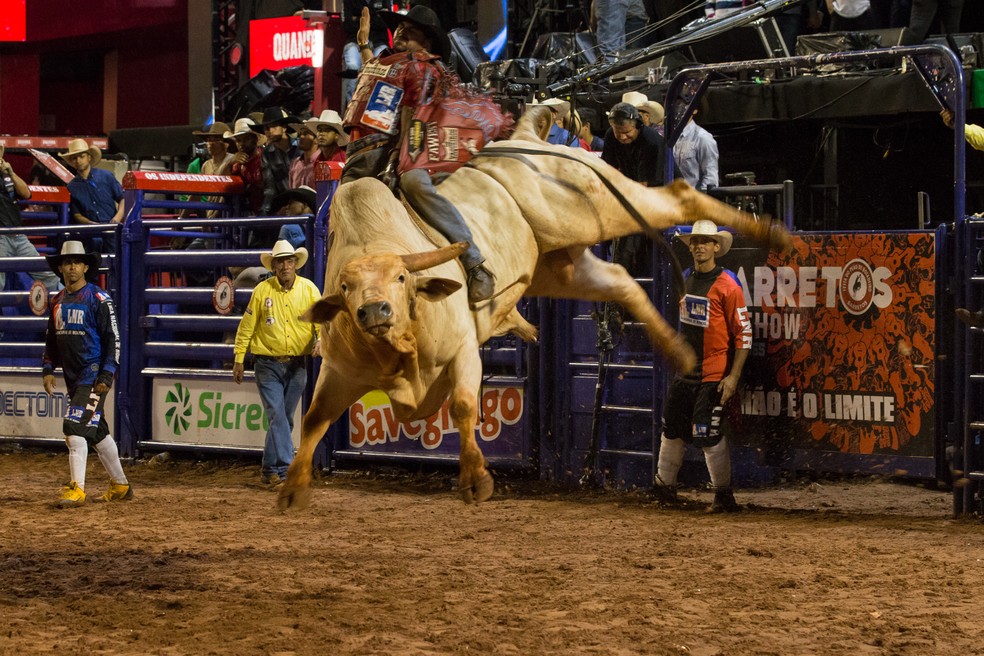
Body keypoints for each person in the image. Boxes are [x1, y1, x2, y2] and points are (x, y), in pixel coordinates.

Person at [342, 5, 496, 305]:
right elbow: (378, 85)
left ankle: (474, 262)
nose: (401, 31)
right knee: (338, 218)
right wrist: (363, 46)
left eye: (410, 31)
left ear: (426, 42)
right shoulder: (389, 62)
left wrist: (404, 159)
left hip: (402, 149)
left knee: (414, 183)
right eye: (400, 28)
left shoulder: (424, 66)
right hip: (360, 154)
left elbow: (416, 115)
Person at [653, 220, 750, 513]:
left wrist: (732, 377)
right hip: (686, 373)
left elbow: (743, 333)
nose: (699, 247)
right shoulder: (686, 278)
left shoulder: (728, 285)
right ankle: (664, 488)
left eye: (704, 242)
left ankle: (723, 496)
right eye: (695, 242)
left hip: (713, 373)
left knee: (707, 433)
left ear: (716, 247)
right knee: (672, 428)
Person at [41, 241, 131, 508]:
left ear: (85, 267)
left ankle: (77, 489)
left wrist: (106, 374)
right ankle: (121, 486)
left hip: (92, 374)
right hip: (74, 376)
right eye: (67, 262)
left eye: (77, 262)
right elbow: (51, 340)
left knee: (74, 428)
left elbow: (113, 339)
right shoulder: (57, 301)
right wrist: (47, 369)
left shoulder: (99, 299)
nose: (72, 266)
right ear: (60, 267)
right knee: (97, 432)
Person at [232, 239, 321, 486]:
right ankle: (285, 471)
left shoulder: (309, 290)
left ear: (295, 265)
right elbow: (247, 326)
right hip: (267, 364)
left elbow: (321, 321)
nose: (285, 266)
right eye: (280, 262)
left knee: (283, 418)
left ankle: (269, 470)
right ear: (274, 266)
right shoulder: (262, 291)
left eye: (289, 261)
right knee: (279, 417)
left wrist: (321, 339)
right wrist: (239, 358)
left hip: (296, 364)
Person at [602, 102, 679, 275]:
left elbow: (645, 186)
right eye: (618, 133)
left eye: (627, 133)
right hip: (635, 192)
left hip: (663, 193)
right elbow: (606, 170)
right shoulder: (610, 136)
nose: (622, 137)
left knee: (636, 243)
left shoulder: (651, 141)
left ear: (637, 127)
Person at [0, 145, 62, 292]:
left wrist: (11, 172)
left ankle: (67, 307)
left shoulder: (6, 174)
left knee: (48, 276)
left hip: (19, 236)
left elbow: (26, 193)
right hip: (1, 236)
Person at [61, 139, 124, 254]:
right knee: (93, 264)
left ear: (89, 157)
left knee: (116, 264)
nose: (78, 160)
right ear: (71, 162)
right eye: (74, 158)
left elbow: (122, 199)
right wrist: (90, 224)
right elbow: (77, 214)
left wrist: (117, 219)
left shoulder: (106, 176)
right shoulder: (71, 186)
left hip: (112, 229)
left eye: (81, 156)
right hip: (90, 233)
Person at [251, 107, 300, 216]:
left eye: (273, 126)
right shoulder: (267, 154)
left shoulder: (300, 148)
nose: (269, 131)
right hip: (283, 203)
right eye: (266, 128)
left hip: (303, 201)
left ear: (284, 128)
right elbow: (270, 186)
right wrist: (265, 210)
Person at [288, 110, 348, 188]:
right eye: (319, 130)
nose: (322, 134)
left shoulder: (343, 159)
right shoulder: (319, 160)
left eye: (327, 130)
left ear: (336, 135)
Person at [224, 118, 264, 216]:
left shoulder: (264, 158)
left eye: (246, 139)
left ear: (255, 139)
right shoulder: (237, 163)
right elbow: (224, 181)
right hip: (247, 212)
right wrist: (230, 163)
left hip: (266, 211)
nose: (241, 144)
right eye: (238, 140)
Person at [672, 110, 719, 191]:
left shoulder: (702, 138)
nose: (679, 108)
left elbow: (710, 177)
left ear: (694, 110)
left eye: (684, 103)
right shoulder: (669, 137)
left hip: (692, 198)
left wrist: (700, 199)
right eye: (677, 103)